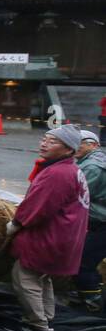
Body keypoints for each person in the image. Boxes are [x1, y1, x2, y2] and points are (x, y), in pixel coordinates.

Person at [5, 126, 90, 331]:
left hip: (52, 234)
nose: (44, 144)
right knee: (42, 275)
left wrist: (16, 223)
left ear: (69, 149)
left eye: (52, 142)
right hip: (67, 234)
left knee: (25, 276)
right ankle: (47, 317)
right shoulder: (71, 169)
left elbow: (38, 206)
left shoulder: (58, 173)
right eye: (44, 139)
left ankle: (37, 325)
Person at [72, 130, 106, 313]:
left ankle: (93, 303)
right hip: (99, 222)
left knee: (83, 261)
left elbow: (77, 196)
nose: (76, 146)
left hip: (102, 224)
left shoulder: (92, 167)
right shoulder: (95, 161)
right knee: (90, 259)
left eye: (81, 143)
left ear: (94, 145)